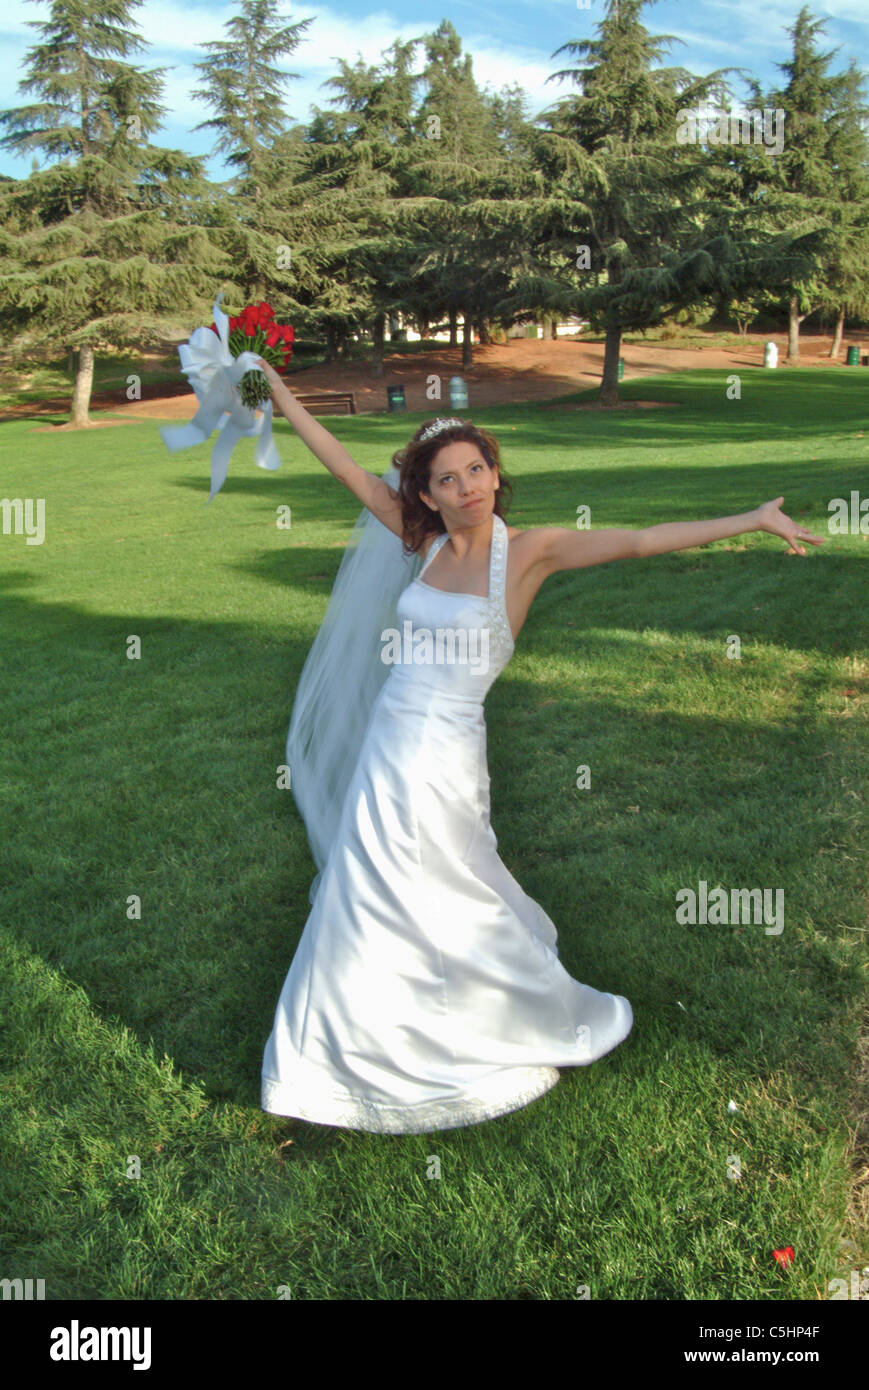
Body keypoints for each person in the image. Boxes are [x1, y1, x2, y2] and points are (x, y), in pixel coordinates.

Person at [253, 357, 824, 1134]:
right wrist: (274, 388)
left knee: (439, 882)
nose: (469, 487)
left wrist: (752, 519)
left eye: (478, 469)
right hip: (391, 740)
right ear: (424, 494)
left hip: (444, 756)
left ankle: (480, 1015)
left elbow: (642, 539)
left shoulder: (528, 554)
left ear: (495, 472)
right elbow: (345, 467)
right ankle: (341, 1047)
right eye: (449, 479)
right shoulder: (418, 541)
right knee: (367, 883)